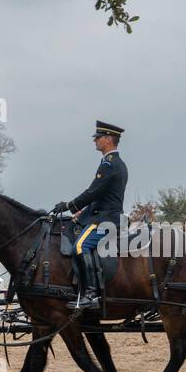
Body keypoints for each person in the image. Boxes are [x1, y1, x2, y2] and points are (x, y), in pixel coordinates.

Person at [52, 120, 127, 310]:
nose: (95, 141)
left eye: (98, 138)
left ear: (108, 139)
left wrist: (68, 205)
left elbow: (92, 192)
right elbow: (99, 197)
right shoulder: (112, 162)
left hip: (107, 220)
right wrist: (80, 214)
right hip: (102, 215)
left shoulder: (110, 165)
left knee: (80, 246)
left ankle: (91, 294)